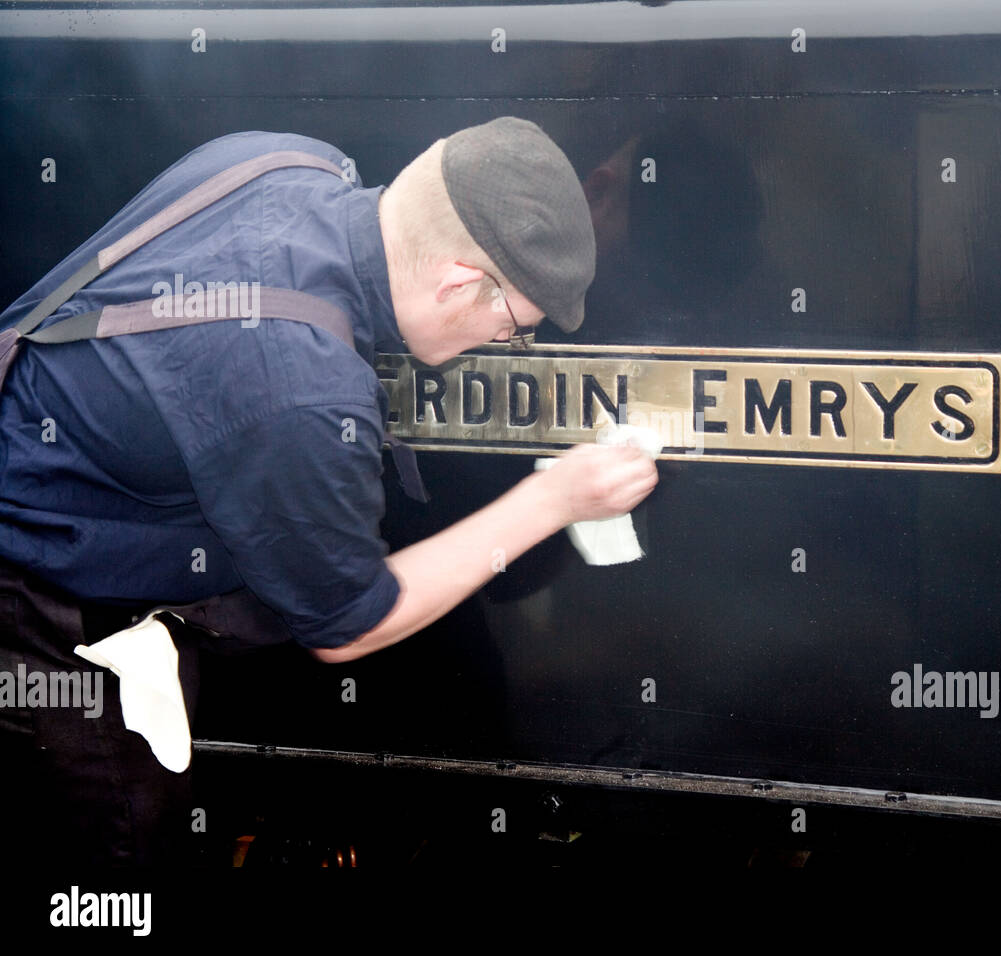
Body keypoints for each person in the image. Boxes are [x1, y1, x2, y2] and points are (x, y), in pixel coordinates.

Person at [0, 117, 658, 865]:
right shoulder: (302, 386)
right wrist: (555, 501)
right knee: (118, 877)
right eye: (513, 328)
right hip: (39, 607)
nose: (504, 346)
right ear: (460, 281)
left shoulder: (285, 161)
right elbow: (348, 624)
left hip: (57, 496)